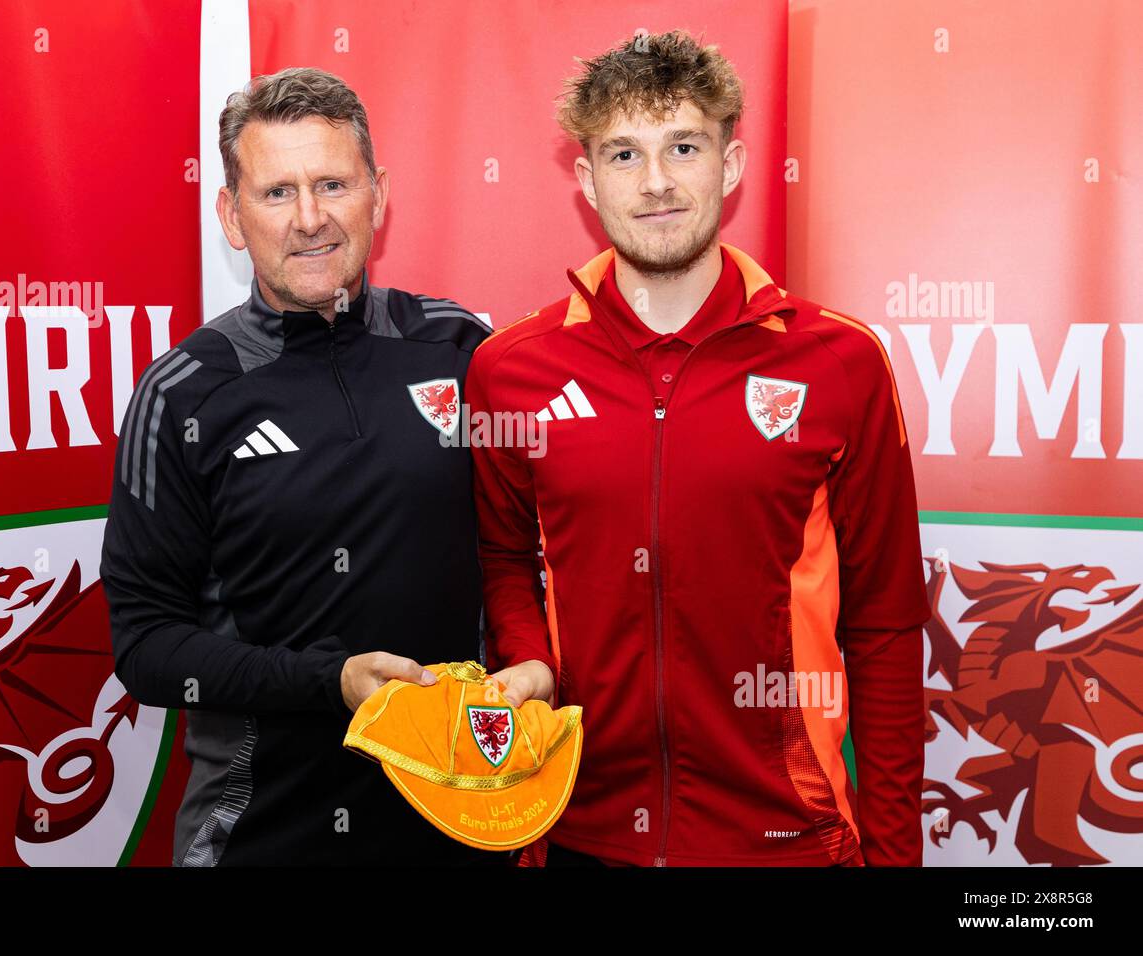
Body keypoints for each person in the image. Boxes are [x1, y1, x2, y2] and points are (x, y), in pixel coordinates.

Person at [467, 31, 930, 866]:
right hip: (580, 832)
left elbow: (888, 623)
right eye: (622, 154)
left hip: (788, 838)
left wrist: (896, 856)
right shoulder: (510, 370)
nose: (654, 183)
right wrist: (532, 662)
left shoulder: (839, 362)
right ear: (585, 179)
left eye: (683, 146)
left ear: (732, 162)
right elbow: (504, 556)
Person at [100, 67, 499, 865]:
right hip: (264, 833)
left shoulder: (461, 346)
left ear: (378, 197)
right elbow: (145, 647)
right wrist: (332, 682)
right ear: (232, 216)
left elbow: (530, 558)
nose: (311, 219)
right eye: (277, 192)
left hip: (467, 822)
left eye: (332, 184)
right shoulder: (182, 393)